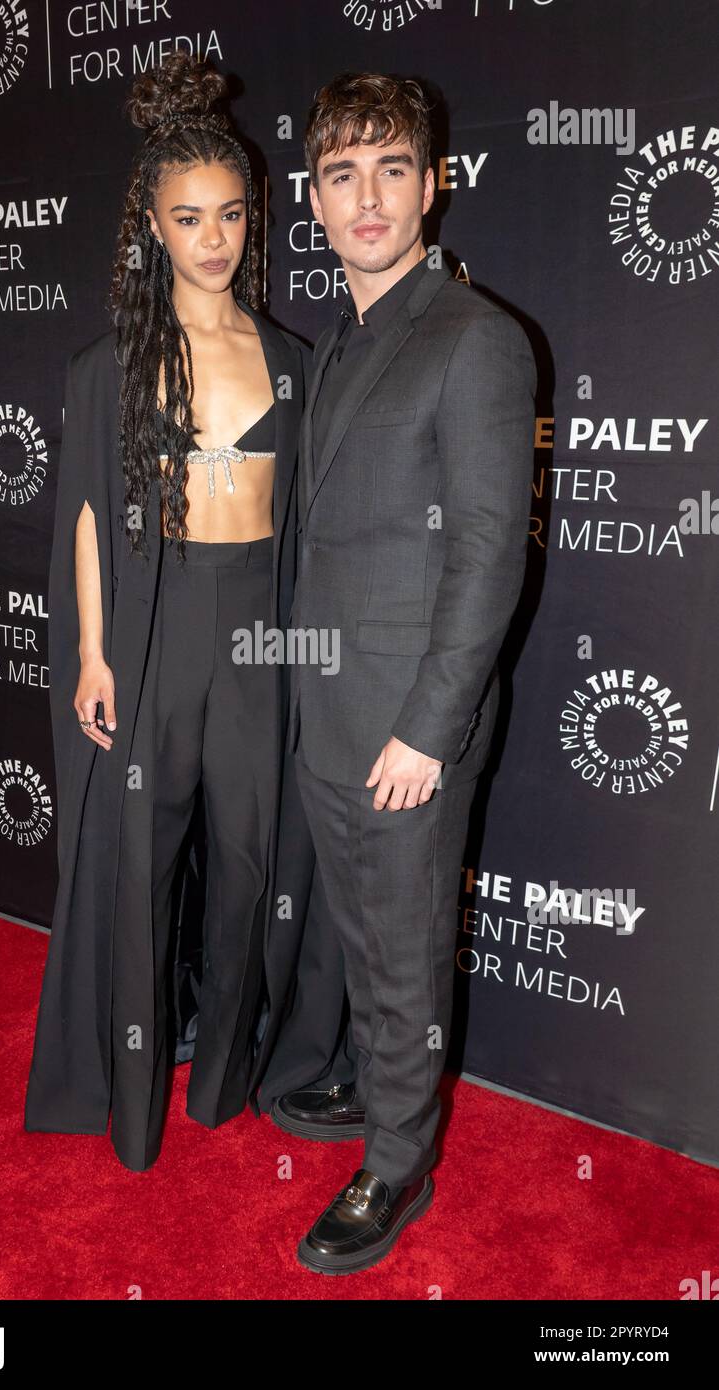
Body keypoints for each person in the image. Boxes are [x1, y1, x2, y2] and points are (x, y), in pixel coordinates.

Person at [255, 72, 537, 1274]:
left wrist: (427, 729)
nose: (363, 199)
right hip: (331, 708)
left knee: (406, 940)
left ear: (430, 185)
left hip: (407, 724)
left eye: (389, 170)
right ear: (313, 199)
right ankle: (383, 1090)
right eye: (338, 175)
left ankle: (398, 1163)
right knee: (369, 937)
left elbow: (487, 556)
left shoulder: (475, 339)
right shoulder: (336, 345)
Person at [24, 53, 309, 1173]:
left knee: (246, 863)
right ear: (151, 222)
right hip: (154, 626)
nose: (213, 237)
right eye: (188, 216)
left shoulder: (291, 361)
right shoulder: (110, 366)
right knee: (142, 863)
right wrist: (92, 653)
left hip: (259, 634)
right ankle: (134, 1103)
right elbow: (92, 518)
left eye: (231, 215)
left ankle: (224, 1082)